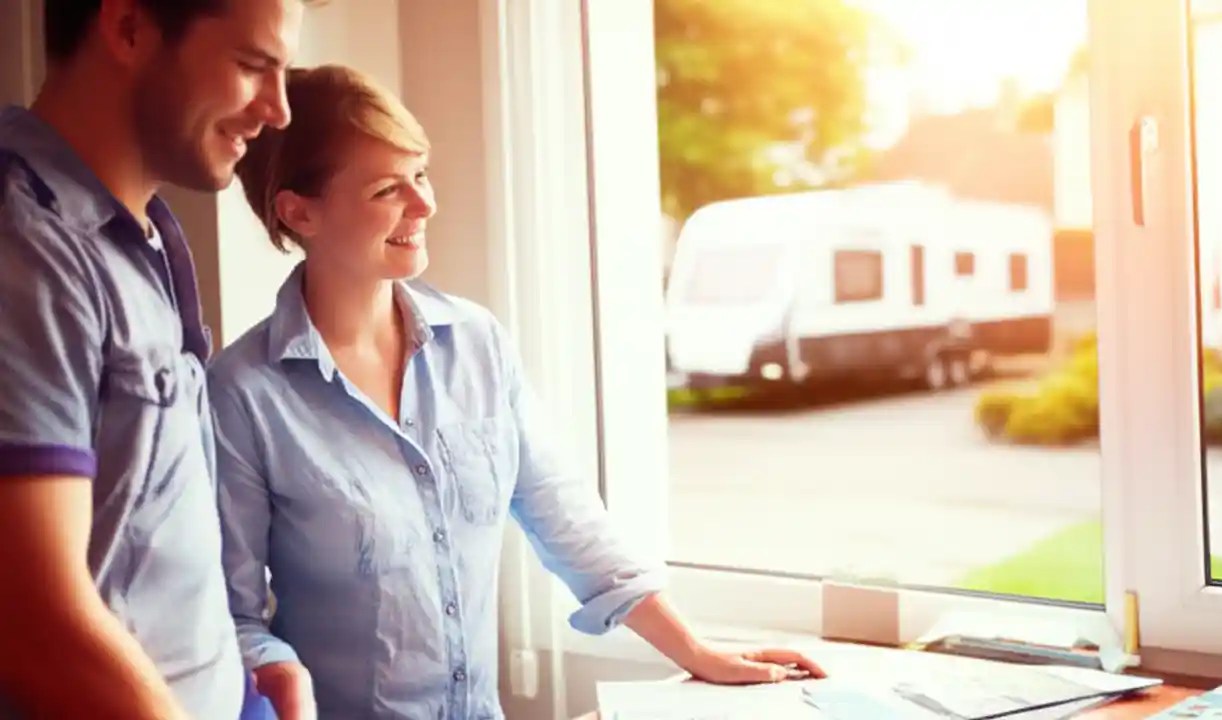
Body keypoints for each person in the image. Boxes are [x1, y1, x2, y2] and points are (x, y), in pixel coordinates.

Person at [212, 64, 827, 720]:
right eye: (388, 189)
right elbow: (228, 617)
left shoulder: (477, 345)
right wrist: (280, 677)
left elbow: (565, 518)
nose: (424, 204)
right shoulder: (242, 395)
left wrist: (699, 652)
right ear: (299, 211)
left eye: (421, 174)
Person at [0, 1, 310, 717]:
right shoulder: (27, 247)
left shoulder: (139, 238)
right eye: (252, 65)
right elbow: (31, 623)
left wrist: (242, 673)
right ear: (128, 27)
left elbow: (137, 552)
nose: (279, 110)